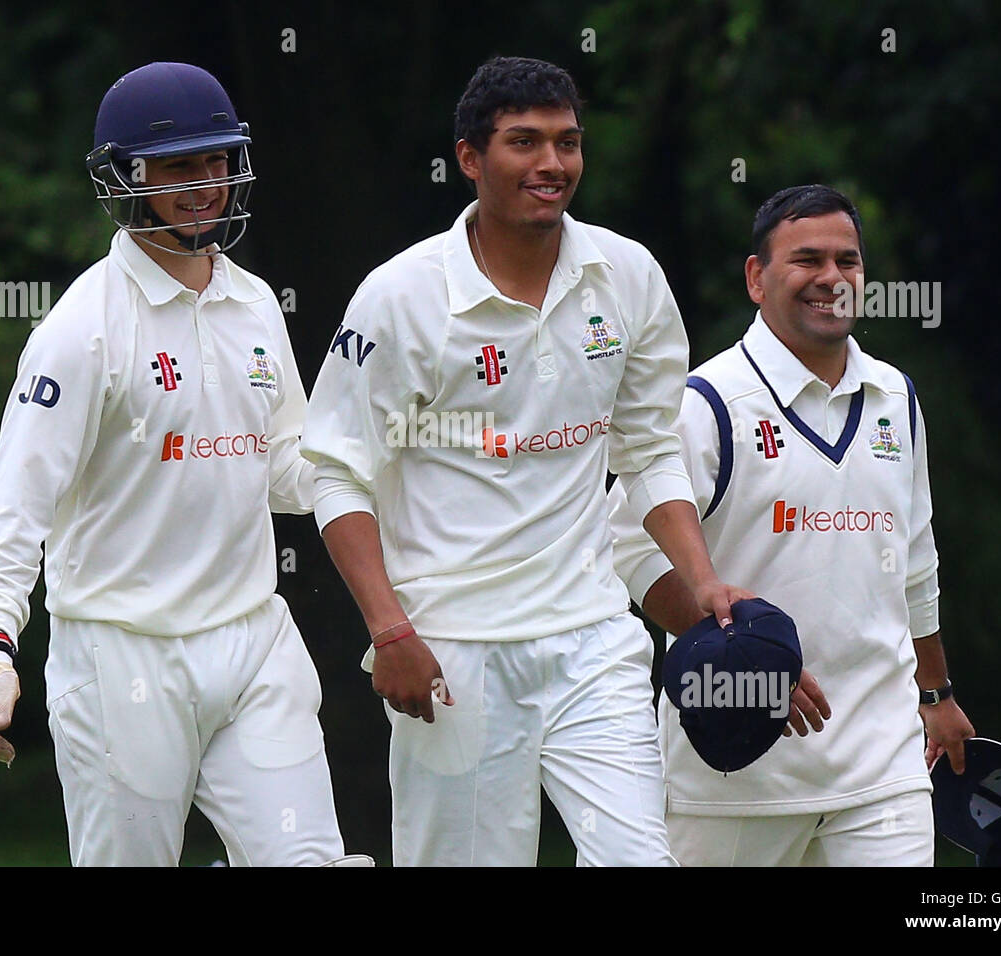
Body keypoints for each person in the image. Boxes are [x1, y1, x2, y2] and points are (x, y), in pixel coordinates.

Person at [301, 56, 749, 866]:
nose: (552, 164)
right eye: (524, 142)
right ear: (470, 158)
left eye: (568, 143)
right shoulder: (401, 297)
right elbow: (335, 472)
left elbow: (647, 450)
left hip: (591, 635)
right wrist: (390, 629)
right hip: (451, 648)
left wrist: (702, 576)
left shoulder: (628, 275)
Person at [0, 62, 362, 867]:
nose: (207, 183)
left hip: (253, 643)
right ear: (126, 177)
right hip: (121, 656)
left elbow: (287, 469)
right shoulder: (82, 329)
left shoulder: (252, 304)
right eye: (181, 166)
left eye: (218, 160)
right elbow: (18, 504)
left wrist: (389, 464)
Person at [608, 184, 976, 866]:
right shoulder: (704, 403)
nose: (832, 278)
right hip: (734, 772)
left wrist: (936, 692)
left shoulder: (896, 395)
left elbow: (916, 559)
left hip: (881, 765)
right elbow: (628, 545)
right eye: (807, 259)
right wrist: (745, 662)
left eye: (848, 261)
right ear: (757, 277)